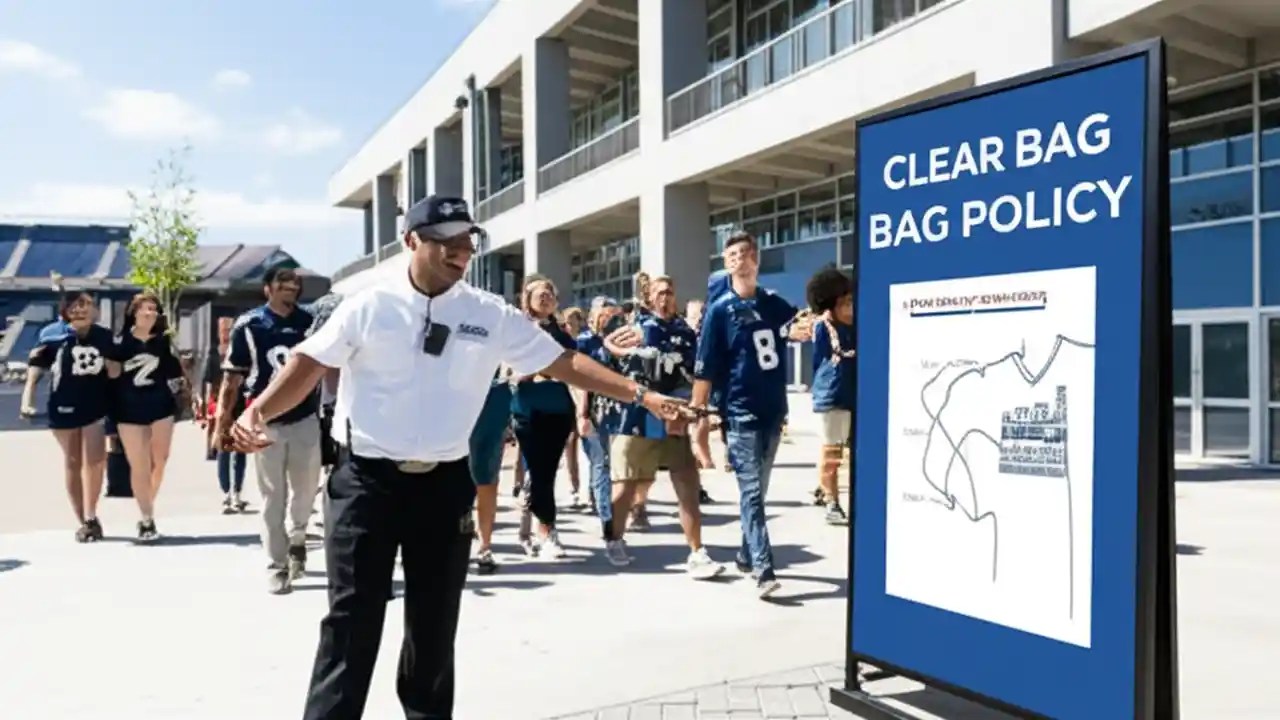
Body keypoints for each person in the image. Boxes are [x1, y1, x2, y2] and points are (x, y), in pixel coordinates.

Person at [224, 194, 689, 720]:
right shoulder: (368, 305)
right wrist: (256, 412)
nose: (459, 252)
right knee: (351, 623)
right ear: (411, 242)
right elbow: (309, 363)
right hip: (364, 484)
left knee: (434, 625)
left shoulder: (486, 313)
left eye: (466, 242)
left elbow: (563, 361)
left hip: (443, 487)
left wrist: (642, 394)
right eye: (445, 242)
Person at [692, 231, 812, 599]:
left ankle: (745, 554)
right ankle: (764, 568)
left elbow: (799, 327)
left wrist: (804, 328)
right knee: (752, 493)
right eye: (731, 254)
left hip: (774, 409)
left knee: (758, 490)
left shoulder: (774, 303)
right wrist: (699, 417)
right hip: (740, 412)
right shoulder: (719, 310)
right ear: (725, 262)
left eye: (744, 253)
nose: (738, 259)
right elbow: (706, 367)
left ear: (756, 259)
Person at [607, 275, 724, 578]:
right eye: (660, 293)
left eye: (670, 292)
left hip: (676, 416)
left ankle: (697, 552)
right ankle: (614, 539)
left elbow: (698, 369)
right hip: (639, 416)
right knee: (626, 485)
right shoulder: (640, 327)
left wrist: (693, 407)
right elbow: (609, 349)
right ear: (648, 298)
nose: (666, 297)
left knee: (687, 485)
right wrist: (631, 352)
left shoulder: (685, 330)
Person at [214, 266, 321, 595]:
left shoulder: (310, 323)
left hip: (304, 417)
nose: (290, 288)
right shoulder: (251, 324)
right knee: (273, 496)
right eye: (283, 284)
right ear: (268, 289)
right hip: (264, 421)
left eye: (295, 284)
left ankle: (299, 537)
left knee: (305, 491)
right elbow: (233, 377)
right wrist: (223, 420)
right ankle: (277, 564)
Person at [20, 291, 119, 542]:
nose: (80, 310)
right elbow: (35, 369)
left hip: (95, 404)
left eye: (85, 305)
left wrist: (114, 361)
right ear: (65, 310)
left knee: (96, 461)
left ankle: (90, 514)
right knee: (73, 462)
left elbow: (116, 373)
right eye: (74, 306)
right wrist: (27, 400)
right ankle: (85, 521)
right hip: (63, 403)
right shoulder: (52, 334)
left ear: (94, 310)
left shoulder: (104, 336)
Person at [510, 275, 578, 559]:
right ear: (528, 300)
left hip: (558, 409)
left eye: (550, 296)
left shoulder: (561, 332)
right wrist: (526, 373)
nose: (547, 299)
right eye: (541, 296)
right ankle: (544, 531)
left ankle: (536, 530)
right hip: (528, 408)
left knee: (544, 473)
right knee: (538, 472)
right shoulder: (518, 329)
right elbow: (509, 367)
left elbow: (574, 366)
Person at [112, 292, 185, 541]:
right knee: (139, 464)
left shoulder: (163, 342)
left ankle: (147, 502)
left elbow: (175, 374)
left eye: (154, 309)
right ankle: (146, 518)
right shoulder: (120, 343)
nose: (150, 313)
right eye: (146, 308)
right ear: (134, 313)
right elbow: (112, 377)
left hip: (160, 406)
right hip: (129, 409)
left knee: (159, 460)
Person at [806, 267, 855, 526]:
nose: (851, 307)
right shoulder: (824, 327)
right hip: (833, 396)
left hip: (855, 395)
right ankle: (832, 501)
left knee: (849, 453)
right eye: (846, 303)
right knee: (832, 453)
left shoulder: (858, 326)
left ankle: (824, 488)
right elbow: (824, 359)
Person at [197, 317, 249, 513]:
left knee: (240, 450)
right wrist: (206, 406)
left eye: (229, 329)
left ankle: (237, 491)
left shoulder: (243, 352)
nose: (226, 333)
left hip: (241, 408)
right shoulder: (214, 356)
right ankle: (227, 491)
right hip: (224, 411)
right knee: (225, 450)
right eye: (223, 330)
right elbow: (208, 382)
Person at [469, 366, 512, 574]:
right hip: (460, 399)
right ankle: (482, 547)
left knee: (486, 480)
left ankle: (484, 547)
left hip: (492, 399)